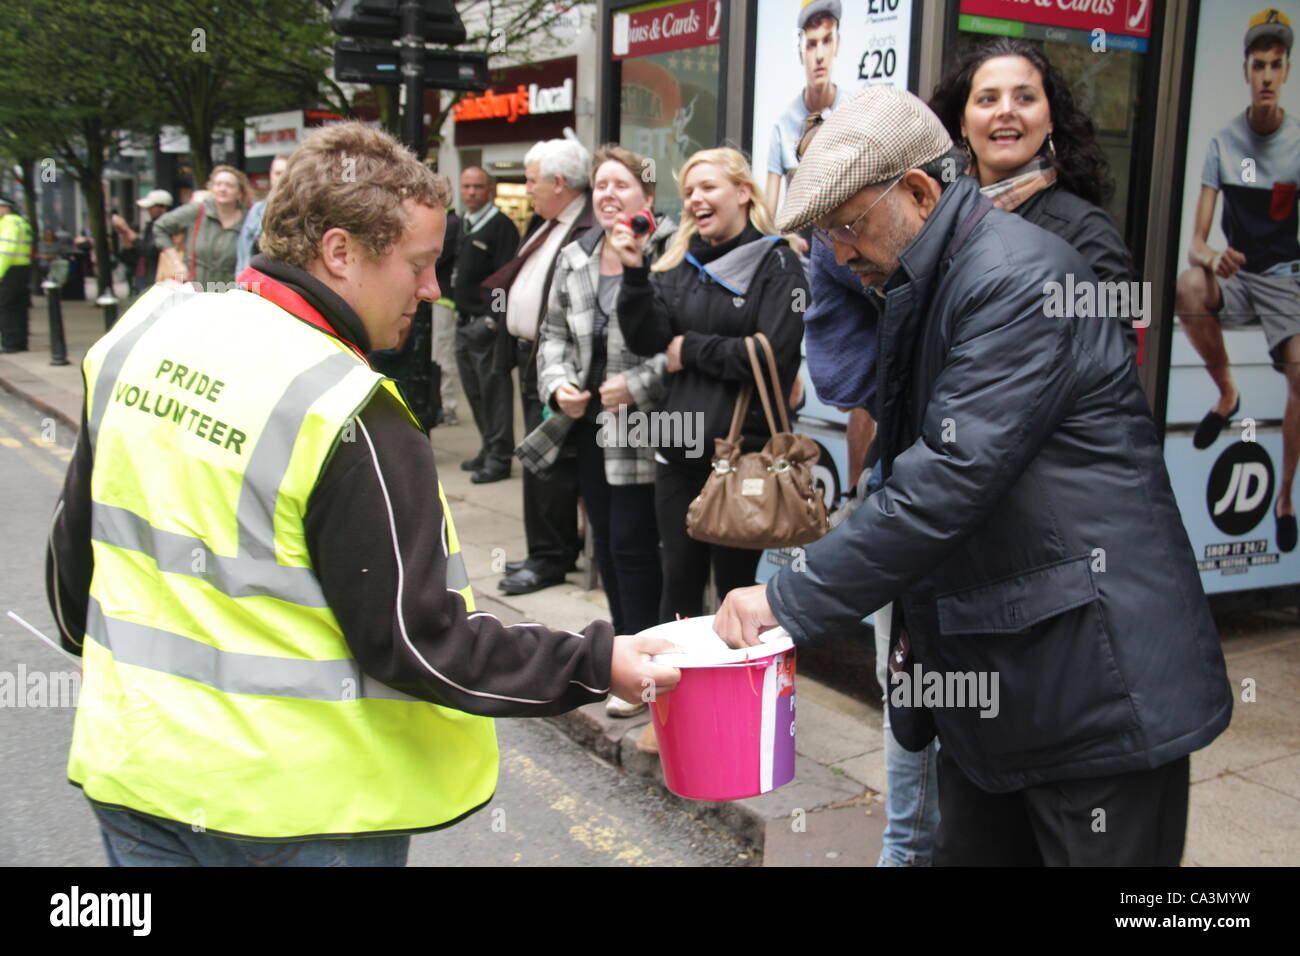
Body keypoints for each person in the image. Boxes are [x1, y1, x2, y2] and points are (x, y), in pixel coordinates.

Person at [45, 122, 680, 867]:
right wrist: (599, 661)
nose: (433, 288)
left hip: (135, 778)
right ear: (339, 252)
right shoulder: (350, 411)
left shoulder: (142, 333)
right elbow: (423, 640)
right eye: (416, 264)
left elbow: (70, 575)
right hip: (300, 815)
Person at [713, 85, 1232, 866]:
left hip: (1095, 689)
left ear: (919, 190)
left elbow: (947, 478)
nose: (840, 253)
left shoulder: (1015, 279)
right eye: (824, 236)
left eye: (847, 226)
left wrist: (790, 595)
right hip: (1015, 682)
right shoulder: (933, 272)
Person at [616, 147, 808, 623]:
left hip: (743, 457)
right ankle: (666, 689)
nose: (694, 199)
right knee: (677, 580)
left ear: (743, 193)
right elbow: (646, 339)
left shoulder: (777, 263)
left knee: (735, 593)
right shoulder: (681, 263)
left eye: (707, 187)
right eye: (687, 192)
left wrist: (691, 350)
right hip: (678, 453)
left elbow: (772, 353)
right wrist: (635, 272)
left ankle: (734, 696)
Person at [527, 144, 676, 717]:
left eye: (620, 184)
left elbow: (678, 343)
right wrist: (558, 384)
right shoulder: (577, 254)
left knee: (638, 547)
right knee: (608, 549)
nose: (608, 195)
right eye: (600, 186)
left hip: (646, 426)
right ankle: (626, 660)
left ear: (646, 195)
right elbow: (554, 335)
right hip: (588, 425)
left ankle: (649, 673)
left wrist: (634, 388)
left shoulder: (666, 250)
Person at [1174, 8, 1300, 552]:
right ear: (1246, 72)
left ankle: (1285, 497)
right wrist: (1213, 256)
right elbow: (1195, 243)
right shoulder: (1223, 143)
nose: (1267, 75)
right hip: (1239, 276)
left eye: (1276, 65)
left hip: (1287, 279)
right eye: (1258, 65)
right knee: (1186, 285)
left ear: (1287, 71)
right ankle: (1228, 393)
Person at [928, 37, 1136, 298]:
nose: (1005, 111)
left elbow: (1116, 336)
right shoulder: (938, 214)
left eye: (1025, 98)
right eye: (987, 99)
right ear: (963, 124)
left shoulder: (1087, 231)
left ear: (1050, 120)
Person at [489, 137, 591, 597]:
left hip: (560, 366)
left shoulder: (584, 226)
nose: (525, 188)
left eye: (531, 180)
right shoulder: (548, 222)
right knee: (537, 463)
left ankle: (549, 558)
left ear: (559, 182)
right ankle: (547, 550)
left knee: (548, 465)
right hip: (532, 359)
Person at [452, 165, 520, 483]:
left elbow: (505, 278)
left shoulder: (501, 227)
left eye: (478, 186)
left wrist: (493, 320)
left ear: (489, 189)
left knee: (494, 392)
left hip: (485, 325)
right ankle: (487, 447)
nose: (471, 192)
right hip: (463, 322)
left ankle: (500, 456)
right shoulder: (463, 224)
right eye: (466, 186)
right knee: (475, 393)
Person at [765, 0, 846, 224]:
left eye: (827, 41)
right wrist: (782, 238)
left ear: (837, 44)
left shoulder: (853, 112)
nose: (819, 55)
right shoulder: (782, 126)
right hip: (798, 246)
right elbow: (768, 216)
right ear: (800, 51)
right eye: (811, 44)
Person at [153, 166, 251, 287]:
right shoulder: (197, 211)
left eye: (229, 185)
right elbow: (160, 227)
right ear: (211, 189)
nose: (222, 189)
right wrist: (176, 262)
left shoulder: (250, 220)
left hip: (232, 294)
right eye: (218, 184)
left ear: (240, 192)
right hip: (195, 292)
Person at [110, 188, 174, 301]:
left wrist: (126, 230)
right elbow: (134, 255)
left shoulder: (167, 228)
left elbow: (148, 251)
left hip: (156, 281)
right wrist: (124, 234)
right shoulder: (151, 227)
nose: (148, 210)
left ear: (163, 208)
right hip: (144, 280)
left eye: (151, 207)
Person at [235, 155, 289, 276]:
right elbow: (244, 251)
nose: (282, 178)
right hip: (259, 282)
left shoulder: (305, 209)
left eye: (287, 173)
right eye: (278, 173)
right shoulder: (257, 210)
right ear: (271, 175)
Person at [0, 195, 33, 353]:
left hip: (10, 269)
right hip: (23, 268)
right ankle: (20, 342)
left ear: (7, 208)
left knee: (6, 307)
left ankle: (9, 343)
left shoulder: (9, 223)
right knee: (19, 307)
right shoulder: (22, 222)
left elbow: (6, 250)